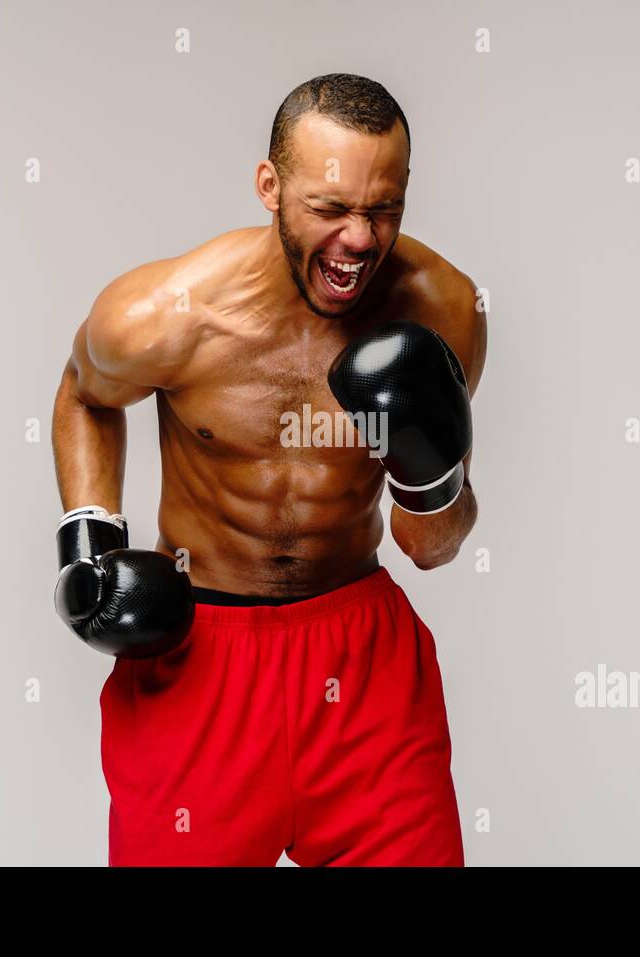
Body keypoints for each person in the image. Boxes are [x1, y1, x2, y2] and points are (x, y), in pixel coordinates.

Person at [51, 73, 487, 866]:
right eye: (330, 208)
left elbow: (431, 544)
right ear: (269, 187)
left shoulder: (441, 309)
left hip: (362, 667)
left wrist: (434, 478)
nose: (359, 237)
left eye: (382, 208)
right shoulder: (165, 315)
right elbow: (85, 393)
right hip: (199, 659)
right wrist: (87, 548)